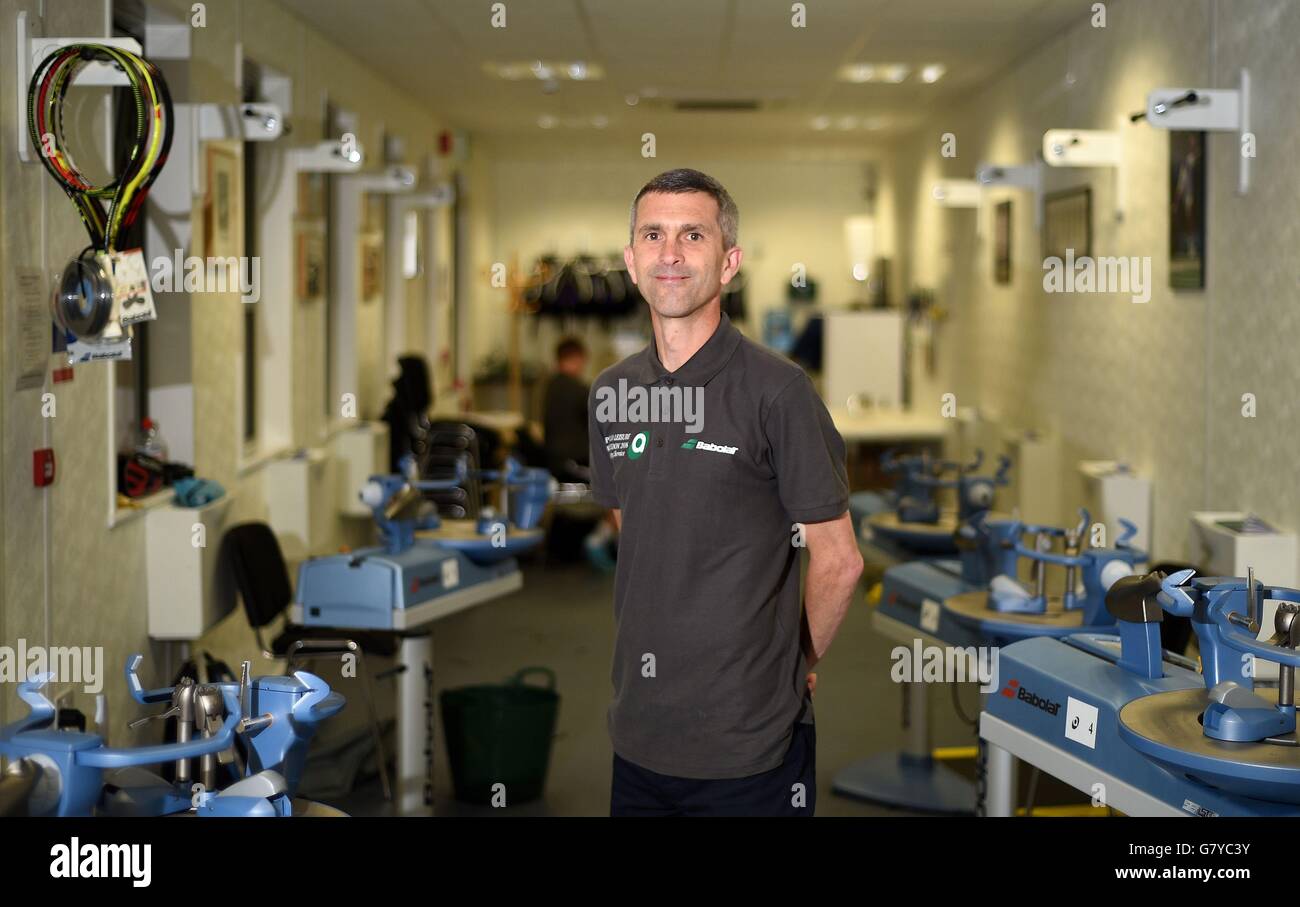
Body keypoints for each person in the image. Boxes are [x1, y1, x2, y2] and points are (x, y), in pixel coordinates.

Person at [589, 168, 863, 816]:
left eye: (693, 235)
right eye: (652, 235)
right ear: (631, 261)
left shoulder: (778, 391)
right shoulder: (611, 391)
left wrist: (792, 660)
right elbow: (637, 523)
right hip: (639, 732)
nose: (671, 253)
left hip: (750, 748)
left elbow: (840, 559)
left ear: (729, 261)